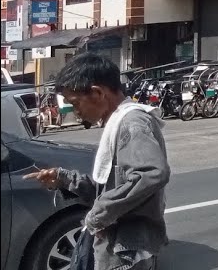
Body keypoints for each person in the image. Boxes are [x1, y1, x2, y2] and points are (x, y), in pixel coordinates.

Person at [24, 53, 171, 269]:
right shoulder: (117, 121)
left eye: (75, 103)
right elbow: (109, 187)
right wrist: (64, 179)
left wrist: (99, 214)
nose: (76, 112)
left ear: (97, 93)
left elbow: (151, 174)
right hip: (116, 246)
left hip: (125, 252)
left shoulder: (132, 123)